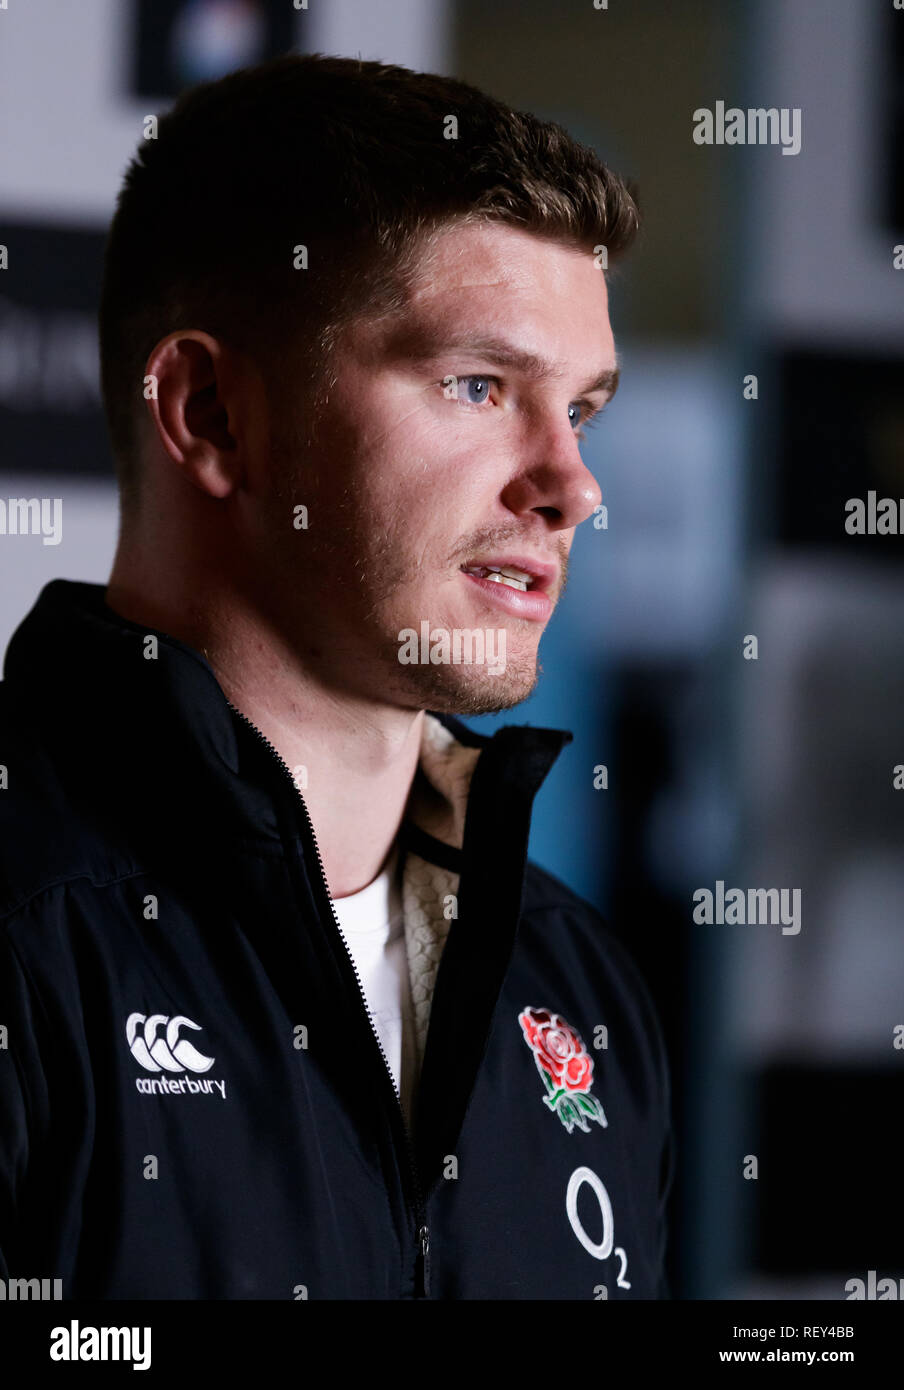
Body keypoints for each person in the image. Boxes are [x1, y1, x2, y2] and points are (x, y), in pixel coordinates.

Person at [0, 53, 673, 1300]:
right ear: (210, 413)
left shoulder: (580, 989)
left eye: (581, 409)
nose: (570, 484)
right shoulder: (31, 938)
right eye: (478, 386)